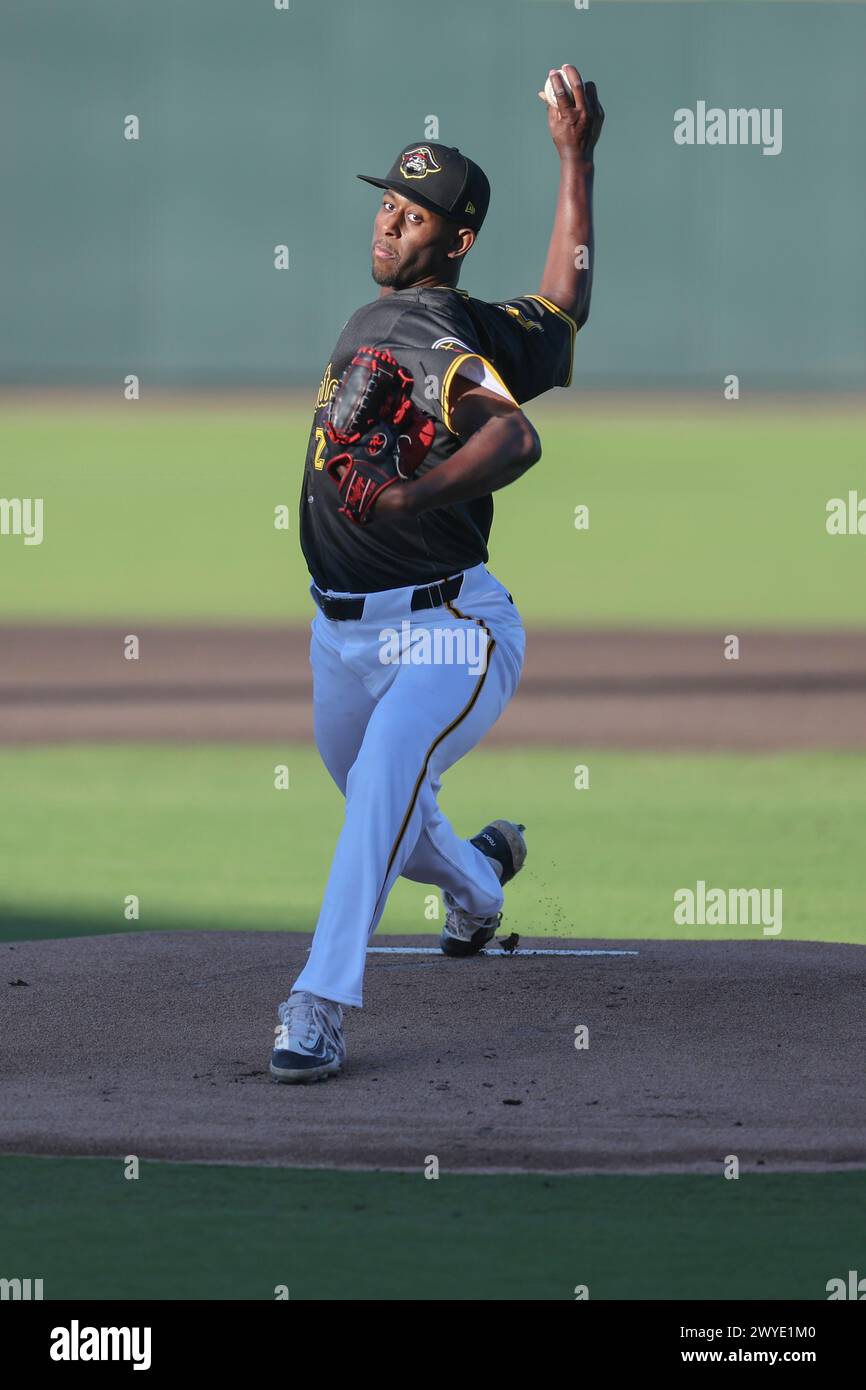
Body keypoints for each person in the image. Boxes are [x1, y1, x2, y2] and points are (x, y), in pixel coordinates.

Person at [270, 65, 604, 1082]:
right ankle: (478, 885)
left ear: (451, 240)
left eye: (414, 216)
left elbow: (515, 440)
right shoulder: (474, 322)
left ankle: (318, 1004)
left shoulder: (425, 336)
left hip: (448, 627)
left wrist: (415, 497)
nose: (389, 224)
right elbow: (564, 303)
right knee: (395, 815)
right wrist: (575, 161)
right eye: (387, 204)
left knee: (380, 779)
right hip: (341, 634)